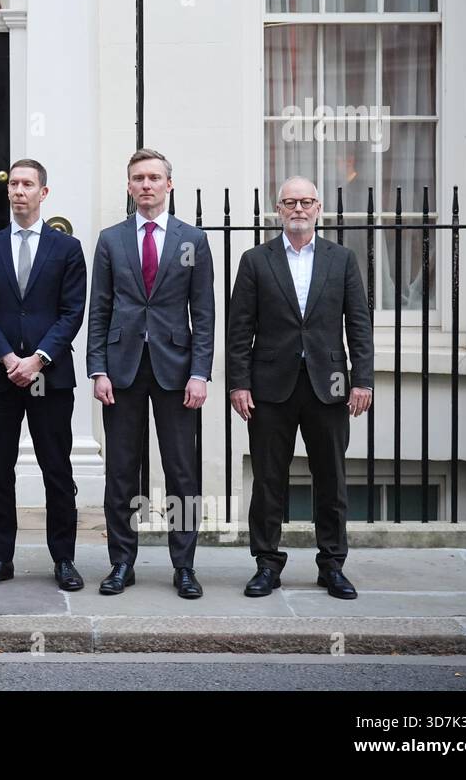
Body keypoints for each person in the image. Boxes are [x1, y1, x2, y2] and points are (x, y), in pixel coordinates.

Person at [228, 175, 373, 600]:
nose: (298, 209)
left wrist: (361, 379)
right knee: (269, 478)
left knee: (331, 477)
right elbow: (240, 329)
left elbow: (358, 325)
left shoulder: (341, 259)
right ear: (278, 209)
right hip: (270, 387)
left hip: (328, 387)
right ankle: (267, 564)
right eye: (290, 202)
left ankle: (332, 565)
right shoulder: (256, 260)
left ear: (318, 208)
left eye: (306, 202)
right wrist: (239, 384)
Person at [86, 149, 215, 599]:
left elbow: (204, 312)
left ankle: (184, 566)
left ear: (168, 185)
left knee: (181, 473)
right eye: (138, 178)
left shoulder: (192, 240)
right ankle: (122, 562)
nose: (146, 185)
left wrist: (201, 373)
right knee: (121, 472)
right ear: (128, 186)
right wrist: (97, 368)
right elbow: (98, 308)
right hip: (121, 372)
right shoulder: (110, 239)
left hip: (176, 373)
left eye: (154, 177)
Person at [0, 159, 87, 592]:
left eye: (27, 184)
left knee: (57, 468)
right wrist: (6, 358)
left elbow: (72, 312)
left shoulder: (66, 249)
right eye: (13, 184)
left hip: (49, 378)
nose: (18, 191)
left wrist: (37, 359)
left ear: (43, 193)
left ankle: (64, 558)